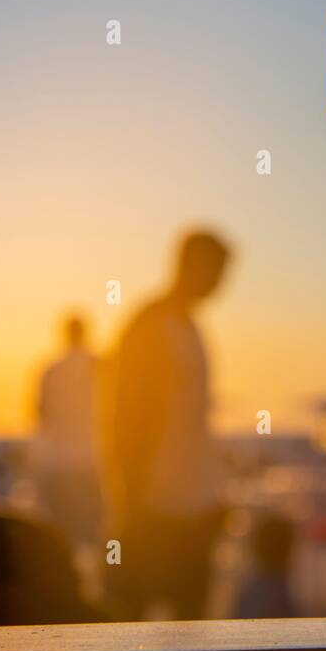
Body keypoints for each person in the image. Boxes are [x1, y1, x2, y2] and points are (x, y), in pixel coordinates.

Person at [107, 230, 232, 619]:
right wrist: (131, 502)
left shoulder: (188, 326)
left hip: (194, 507)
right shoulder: (152, 325)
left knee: (189, 633)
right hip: (157, 508)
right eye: (217, 271)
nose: (219, 283)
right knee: (128, 627)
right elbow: (124, 415)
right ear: (193, 264)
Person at [35, 313, 102, 547]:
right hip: (95, 465)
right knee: (96, 538)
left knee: (61, 539)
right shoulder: (100, 366)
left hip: (58, 465)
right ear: (85, 333)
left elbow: (40, 414)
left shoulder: (51, 370)